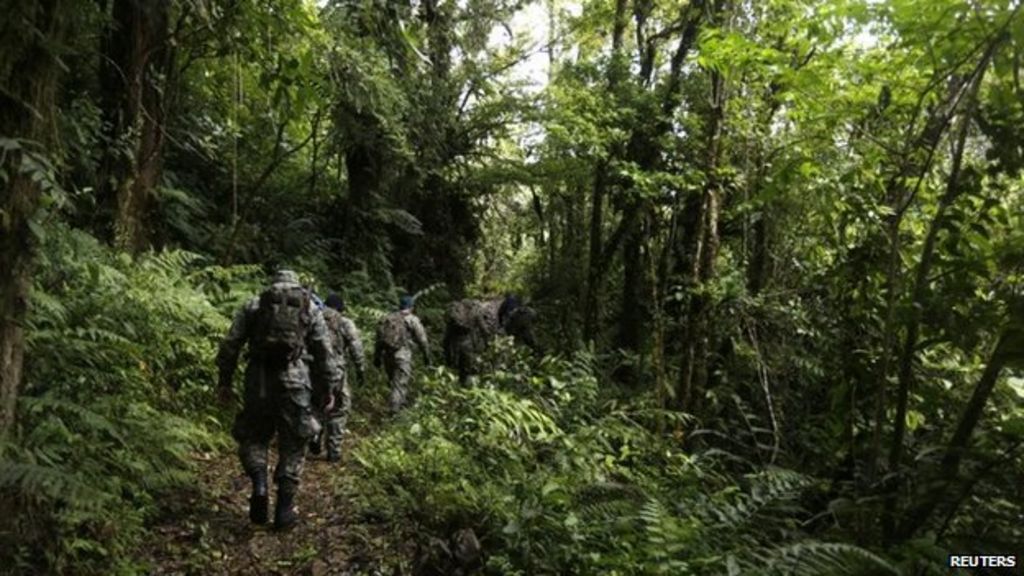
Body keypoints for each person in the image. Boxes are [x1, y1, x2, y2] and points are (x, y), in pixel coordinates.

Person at [217, 269, 342, 530]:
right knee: (294, 443)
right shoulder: (309, 307)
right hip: (296, 382)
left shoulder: (254, 305)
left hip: (258, 380)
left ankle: (260, 484)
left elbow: (231, 344)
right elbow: (324, 352)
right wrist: (329, 389)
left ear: (272, 284)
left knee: (254, 436)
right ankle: (284, 508)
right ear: (296, 285)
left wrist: (225, 382)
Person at [310, 293, 366, 462]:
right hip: (336, 372)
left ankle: (314, 433)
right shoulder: (344, 322)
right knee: (339, 409)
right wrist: (360, 369)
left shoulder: (313, 318)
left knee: (315, 405)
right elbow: (356, 347)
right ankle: (333, 451)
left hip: (313, 370)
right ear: (341, 307)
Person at [374, 295, 430, 413]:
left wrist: (377, 357)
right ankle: (394, 412)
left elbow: (379, 340)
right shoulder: (412, 319)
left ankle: (400, 405)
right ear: (411, 307)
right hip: (402, 356)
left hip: (387, 356)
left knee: (393, 382)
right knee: (399, 384)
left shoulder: (388, 318)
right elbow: (422, 340)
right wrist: (426, 356)